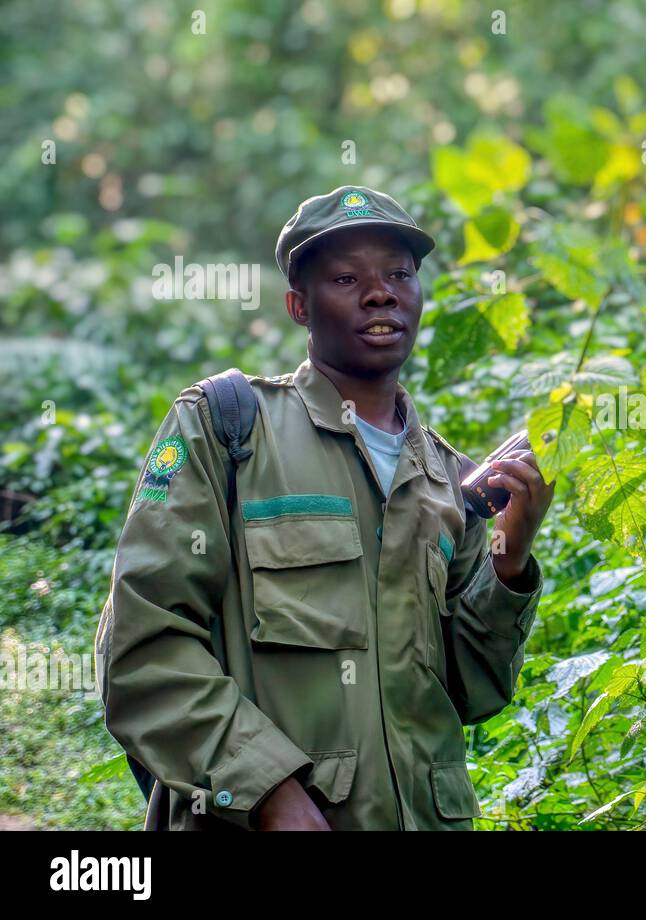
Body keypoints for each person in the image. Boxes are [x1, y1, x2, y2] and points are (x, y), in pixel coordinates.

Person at [95, 186, 553, 830]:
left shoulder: (448, 478)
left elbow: (468, 691)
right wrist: (270, 793)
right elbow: (142, 650)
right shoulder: (226, 429)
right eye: (346, 278)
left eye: (399, 274)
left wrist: (510, 562)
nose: (380, 293)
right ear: (299, 307)